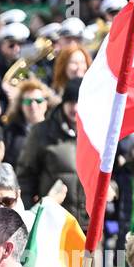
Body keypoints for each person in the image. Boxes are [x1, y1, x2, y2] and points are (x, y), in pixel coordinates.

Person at [18, 78, 87, 229]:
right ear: (63, 103)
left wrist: (111, 187)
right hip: (54, 221)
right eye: (70, 102)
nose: (74, 108)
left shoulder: (95, 131)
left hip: (88, 224)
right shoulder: (42, 132)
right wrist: (31, 215)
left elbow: (110, 171)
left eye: (78, 102)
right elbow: (25, 176)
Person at [1, 77, 48, 166]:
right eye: (28, 101)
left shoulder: (54, 130)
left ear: (46, 104)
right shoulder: (10, 132)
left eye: (38, 101)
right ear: (21, 105)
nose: (33, 105)